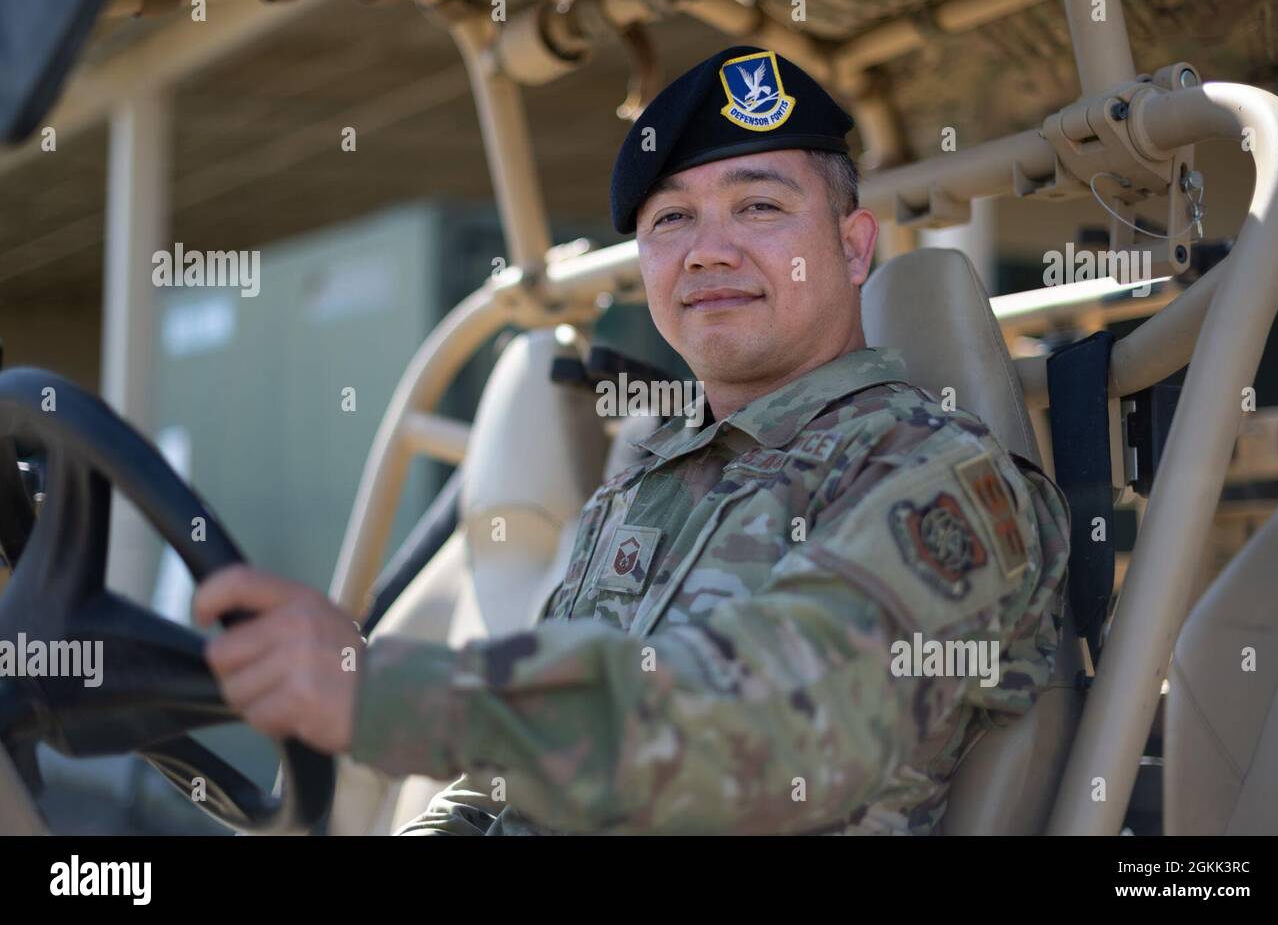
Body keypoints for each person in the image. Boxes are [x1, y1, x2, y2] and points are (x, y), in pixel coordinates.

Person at [193, 45, 1071, 835]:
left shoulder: (935, 473)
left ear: (850, 248)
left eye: (759, 206)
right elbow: (508, 783)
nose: (707, 253)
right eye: (671, 222)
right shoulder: (646, 486)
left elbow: (766, 732)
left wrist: (386, 693)